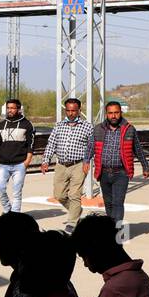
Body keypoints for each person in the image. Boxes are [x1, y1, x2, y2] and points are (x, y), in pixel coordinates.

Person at [40, 97, 94, 233]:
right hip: (61, 165)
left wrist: (87, 160)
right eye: (68, 110)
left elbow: (91, 146)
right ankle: (76, 212)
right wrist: (46, 160)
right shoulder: (59, 126)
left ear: (79, 111)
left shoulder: (87, 126)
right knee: (59, 195)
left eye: (73, 111)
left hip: (78, 165)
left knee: (75, 195)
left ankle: (72, 223)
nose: (70, 113)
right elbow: (51, 144)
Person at [91, 101, 149, 225]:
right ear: (106, 114)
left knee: (118, 203)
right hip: (104, 173)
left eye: (116, 113)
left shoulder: (129, 129)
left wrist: (145, 166)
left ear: (121, 113)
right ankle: (111, 226)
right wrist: (86, 161)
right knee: (108, 203)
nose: (113, 116)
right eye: (110, 113)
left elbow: (138, 149)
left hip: (121, 173)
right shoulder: (98, 129)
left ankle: (115, 231)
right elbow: (91, 147)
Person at [0, 98, 35, 213]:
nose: (10, 110)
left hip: (19, 164)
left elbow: (31, 145)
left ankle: (15, 217)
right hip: (4, 164)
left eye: (12, 108)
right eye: (8, 108)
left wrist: (27, 162)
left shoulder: (27, 124)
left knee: (17, 193)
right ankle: (8, 211)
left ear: (18, 109)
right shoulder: (1, 125)